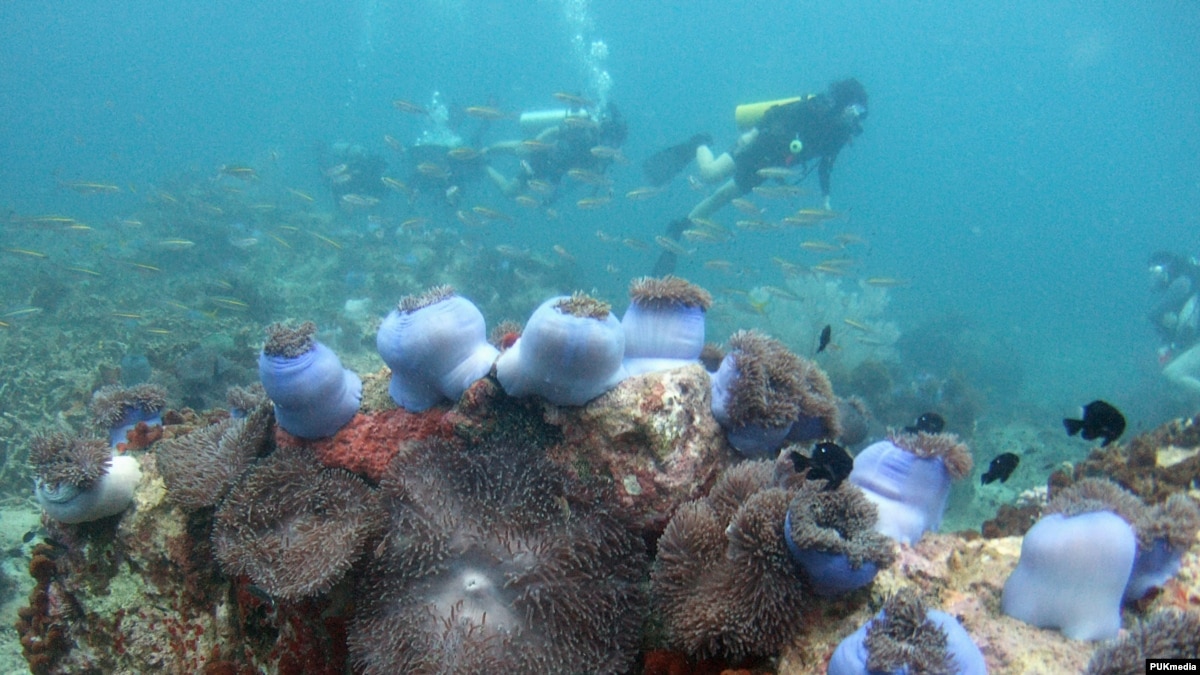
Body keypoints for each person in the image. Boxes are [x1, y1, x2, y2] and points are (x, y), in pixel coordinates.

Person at [648, 78, 869, 275]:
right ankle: (700, 142)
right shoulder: (817, 107)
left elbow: (826, 165)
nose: (856, 116)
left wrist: (826, 196)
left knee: (723, 196)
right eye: (855, 108)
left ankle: (681, 227)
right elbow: (775, 113)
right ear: (845, 102)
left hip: (773, 165)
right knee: (710, 174)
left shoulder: (840, 135)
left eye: (861, 112)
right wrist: (753, 133)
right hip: (758, 145)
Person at [484, 102, 627, 200]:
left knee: (510, 192)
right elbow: (554, 130)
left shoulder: (603, 159)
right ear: (603, 132)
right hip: (541, 150)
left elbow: (588, 179)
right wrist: (533, 145)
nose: (609, 146)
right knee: (511, 149)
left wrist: (554, 198)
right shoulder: (584, 132)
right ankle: (484, 152)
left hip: (547, 169)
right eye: (609, 141)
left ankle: (483, 166)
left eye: (614, 144)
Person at [1148, 251, 1200, 394]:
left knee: (1173, 374)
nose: (1154, 278)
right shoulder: (1191, 279)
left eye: (1155, 271)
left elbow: (1157, 313)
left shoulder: (1183, 282)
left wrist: (1171, 344)